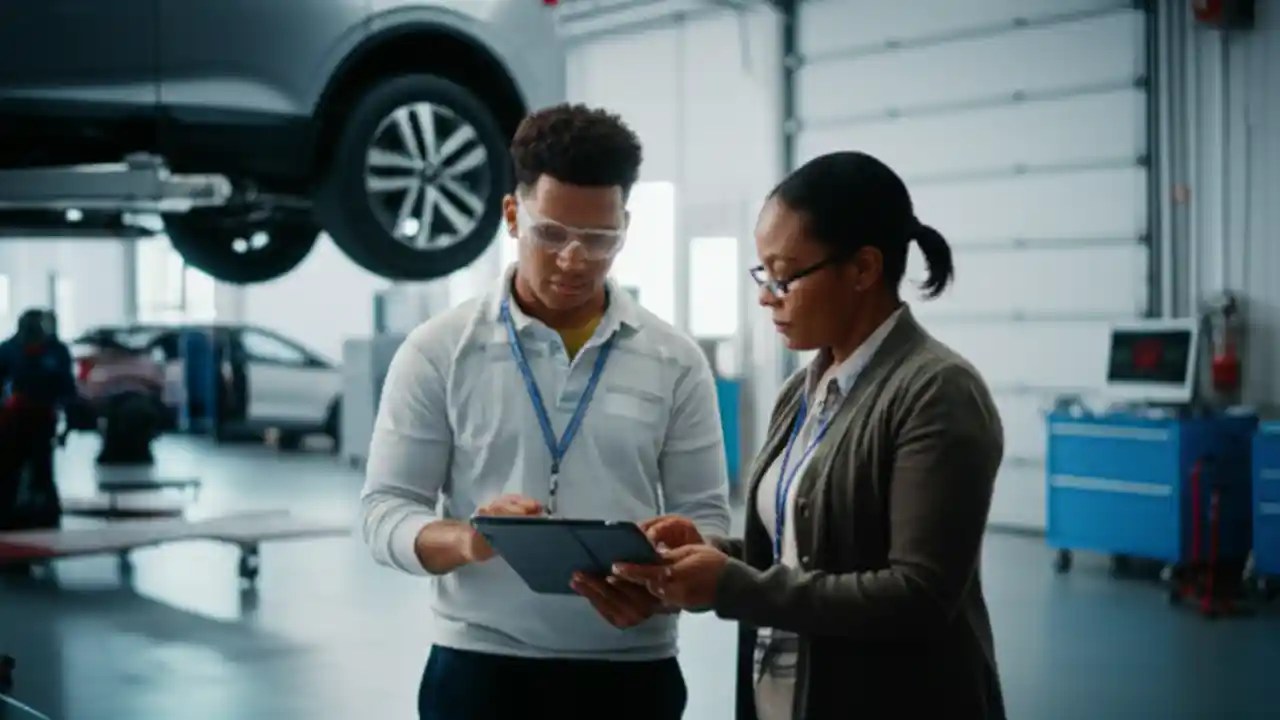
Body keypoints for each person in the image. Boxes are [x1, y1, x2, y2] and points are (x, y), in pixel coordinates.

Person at [360, 103, 732, 720]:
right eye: (551, 234)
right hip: (479, 671)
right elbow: (383, 513)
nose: (574, 259)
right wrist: (469, 540)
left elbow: (707, 519)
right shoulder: (438, 350)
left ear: (625, 227)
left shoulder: (675, 361)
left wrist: (665, 588)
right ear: (513, 215)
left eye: (600, 239)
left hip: (631, 671)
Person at [616, 151, 1007, 719]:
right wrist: (709, 552)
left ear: (863, 269)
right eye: (762, 273)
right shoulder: (804, 392)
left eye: (785, 274)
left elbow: (918, 597)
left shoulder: (936, 392)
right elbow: (806, 547)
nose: (765, 295)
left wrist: (731, 586)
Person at [0, 308, 77, 534]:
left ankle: (45, 514)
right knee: (8, 468)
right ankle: (7, 513)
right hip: (13, 418)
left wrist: (68, 426)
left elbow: (67, 388)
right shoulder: (8, 350)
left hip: (43, 417)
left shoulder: (56, 351)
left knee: (42, 467)